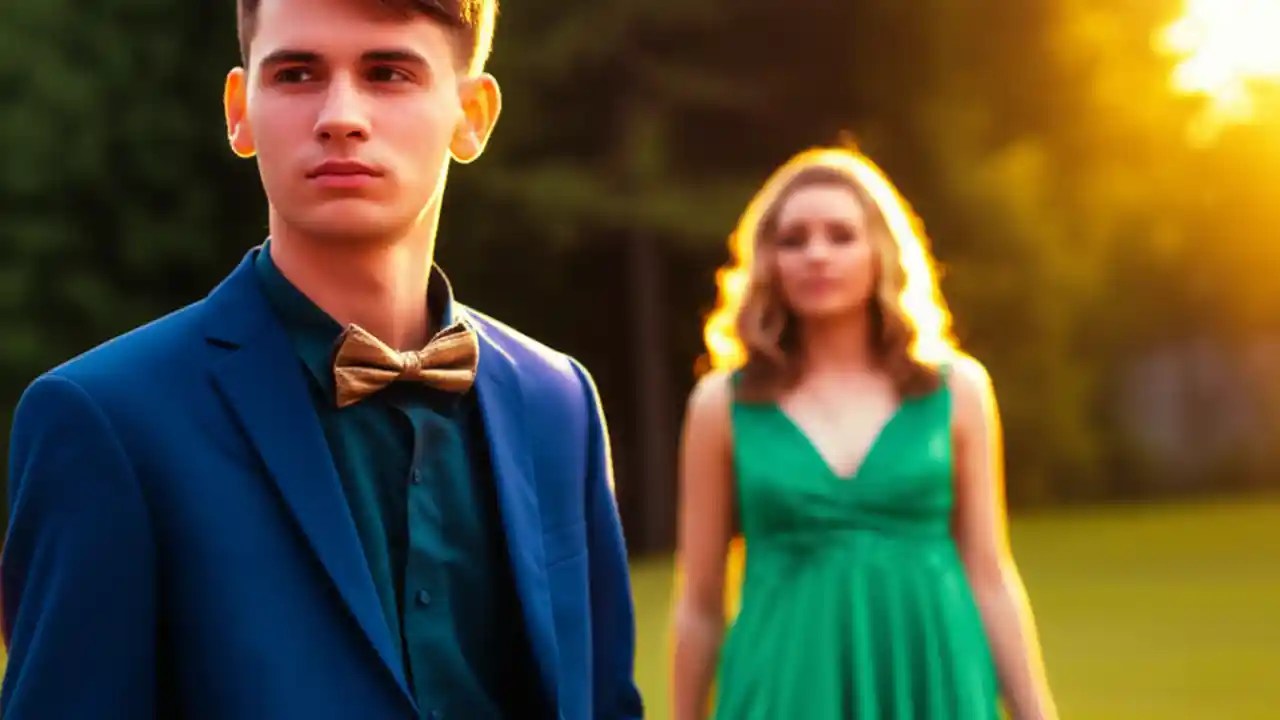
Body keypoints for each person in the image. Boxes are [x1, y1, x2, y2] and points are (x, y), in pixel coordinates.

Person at [0, 1, 643, 718]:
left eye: (388, 72)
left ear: (473, 115)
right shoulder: (108, 422)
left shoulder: (559, 403)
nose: (341, 115)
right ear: (240, 110)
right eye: (298, 73)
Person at [670, 146, 1057, 719]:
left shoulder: (957, 391)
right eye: (793, 239)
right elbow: (700, 603)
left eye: (841, 235)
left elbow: (990, 573)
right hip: (784, 683)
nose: (817, 255)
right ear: (767, 261)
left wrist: (1033, 711)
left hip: (933, 677)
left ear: (881, 252)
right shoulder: (722, 405)